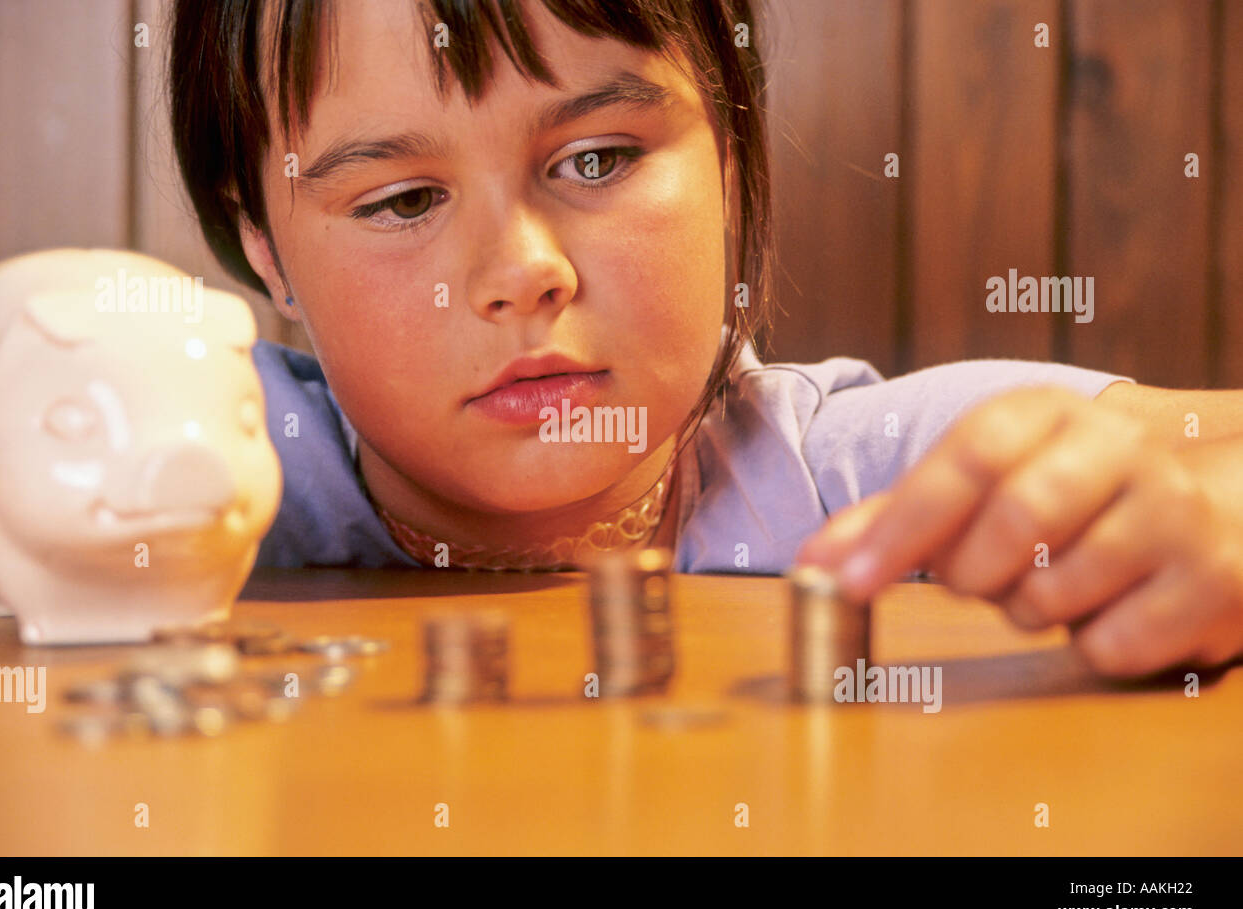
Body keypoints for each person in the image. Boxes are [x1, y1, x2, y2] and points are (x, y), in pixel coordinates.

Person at [167, 0, 1243, 678]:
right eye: (402, 201)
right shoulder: (190, 456)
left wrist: (1210, 522)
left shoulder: (853, 469)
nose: (521, 271)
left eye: (596, 160)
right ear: (263, 247)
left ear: (728, 162)